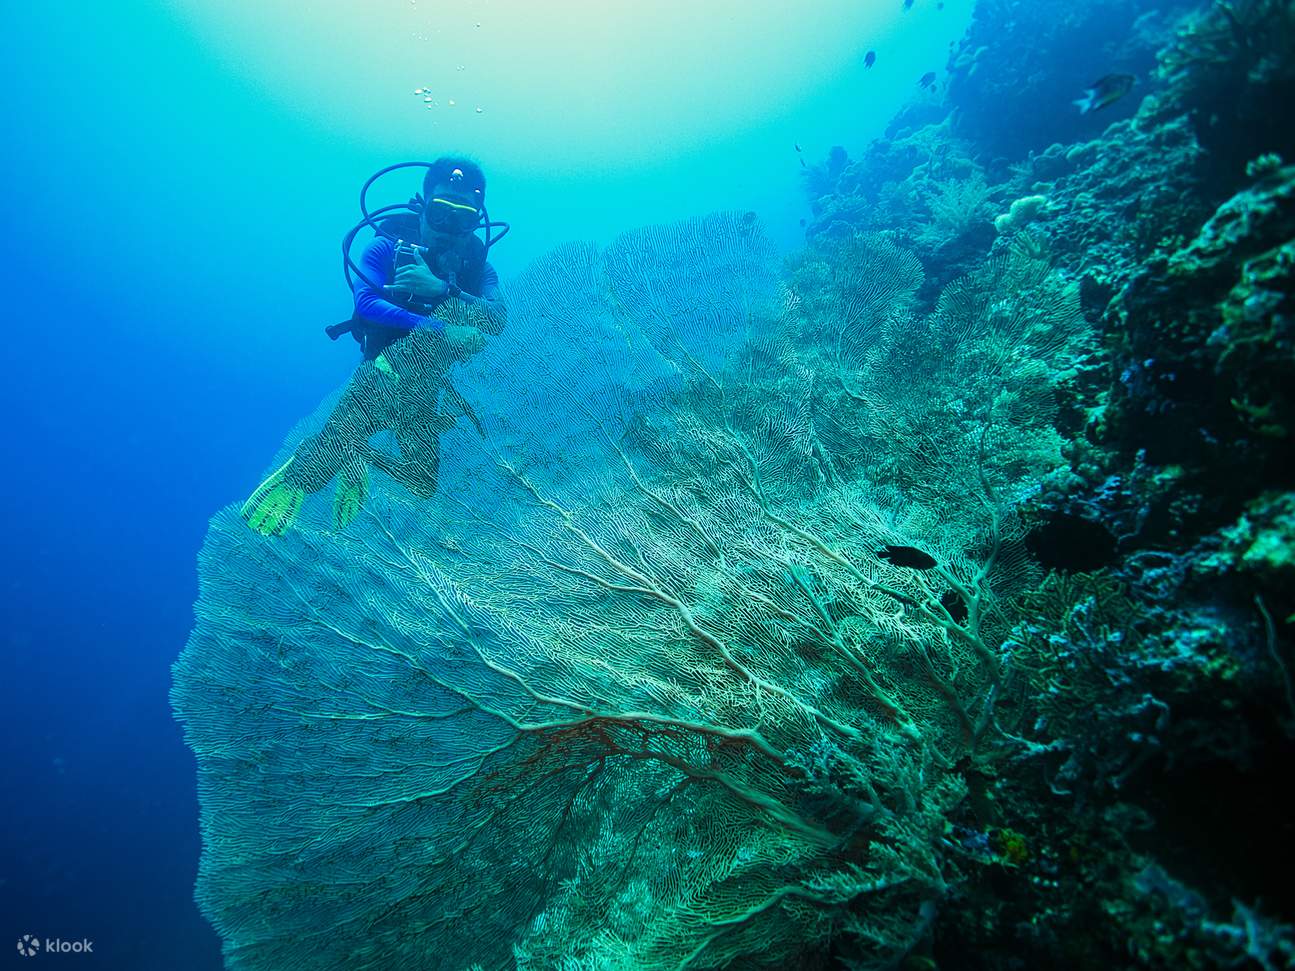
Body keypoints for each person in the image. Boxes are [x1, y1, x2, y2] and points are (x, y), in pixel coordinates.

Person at [241, 157, 506, 536]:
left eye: (464, 218)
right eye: (441, 212)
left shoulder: (477, 267)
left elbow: (498, 318)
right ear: (424, 204)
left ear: (477, 219)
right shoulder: (388, 244)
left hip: (426, 388)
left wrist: (445, 290)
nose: (450, 228)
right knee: (317, 466)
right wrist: (440, 328)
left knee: (423, 483)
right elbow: (366, 303)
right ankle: (319, 460)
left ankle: (357, 451)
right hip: (379, 374)